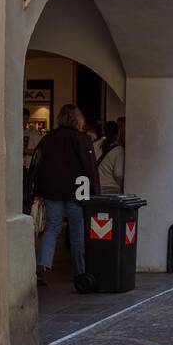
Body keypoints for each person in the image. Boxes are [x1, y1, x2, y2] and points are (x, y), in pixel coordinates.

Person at [31, 104, 100, 286]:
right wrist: (95, 192)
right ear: (78, 119)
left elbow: (38, 164)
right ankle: (80, 271)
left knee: (52, 227)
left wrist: (38, 189)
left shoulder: (49, 139)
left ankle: (42, 265)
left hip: (53, 191)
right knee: (78, 231)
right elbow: (89, 168)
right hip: (77, 192)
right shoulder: (82, 139)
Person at [98, 120, 126, 195]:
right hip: (112, 190)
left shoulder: (95, 145)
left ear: (103, 131)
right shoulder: (119, 150)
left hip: (97, 189)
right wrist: (123, 185)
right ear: (118, 134)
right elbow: (118, 174)